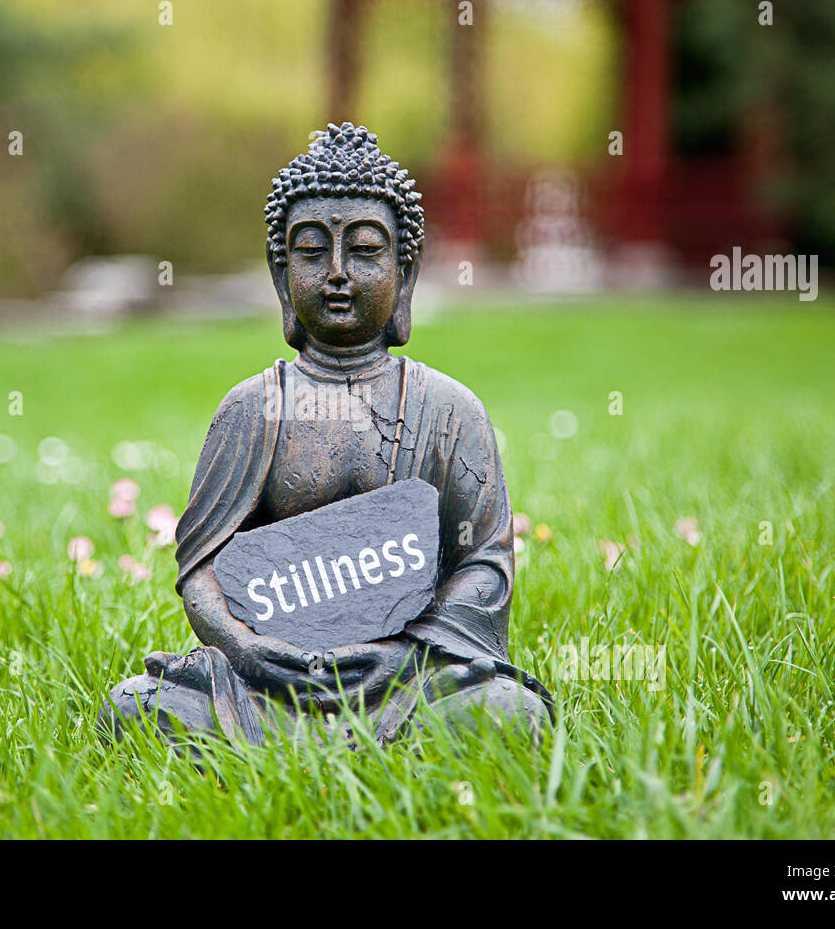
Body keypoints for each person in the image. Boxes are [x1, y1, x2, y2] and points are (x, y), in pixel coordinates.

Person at [101, 123, 552, 746]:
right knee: (135, 707)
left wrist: (406, 656)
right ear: (281, 274)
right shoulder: (253, 408)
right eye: (312, 251)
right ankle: (338, 745)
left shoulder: (450, 409)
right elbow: (201, 568)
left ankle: (349, 738)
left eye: (364, 250)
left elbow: (485, 567)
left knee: (509, 712)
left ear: (406, 272)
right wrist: (247, 649)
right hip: (273, 685)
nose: (337, 273)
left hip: (405, 678)